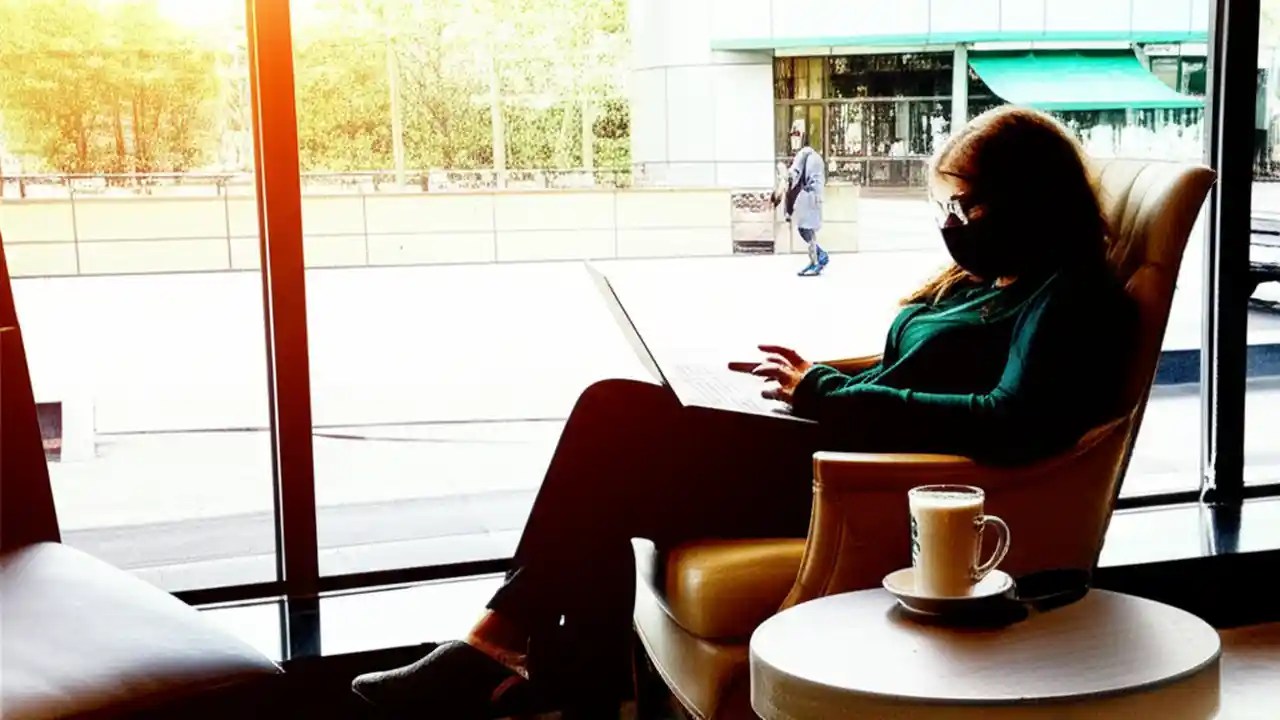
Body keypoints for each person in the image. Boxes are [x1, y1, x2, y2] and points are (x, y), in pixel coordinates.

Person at [350, 105, 1138, 718]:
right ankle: (523, 659)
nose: (951, 223)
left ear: (1027, 202)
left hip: (865, 486)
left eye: (967, 206)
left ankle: (511, 654)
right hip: (839, 444)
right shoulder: (987, 280)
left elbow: (1010, 421)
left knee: (612, 437)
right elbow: (909, 368)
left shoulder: (1072, 297)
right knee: (617, 415)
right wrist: (813, 375)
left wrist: (831, 396)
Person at [774, 128, 827, 276]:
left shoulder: (804, 154)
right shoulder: (812, 156)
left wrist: (783, 175)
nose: (794, 140)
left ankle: (817, 260)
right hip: (813, 196)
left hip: (810, 196)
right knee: (806, 230)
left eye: (796, 136)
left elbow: (793, 175)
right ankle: (817, 258)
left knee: (806, 230)